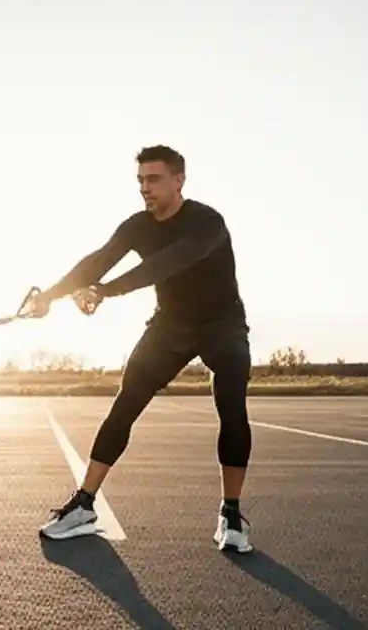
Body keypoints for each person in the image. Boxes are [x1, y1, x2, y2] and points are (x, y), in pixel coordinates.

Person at [27, 144, 254, 553]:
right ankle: (84, 505)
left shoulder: (207, 222)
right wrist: (50, 296)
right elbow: (97, 262)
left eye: (154, 179)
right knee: (126, 401)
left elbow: (169, 262)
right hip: (171, 325)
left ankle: (231, 514)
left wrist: (106, 291)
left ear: (179, 180)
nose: (145, 188)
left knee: (232, 407)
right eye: (140, 181)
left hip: (223, 325)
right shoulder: (137, 225)